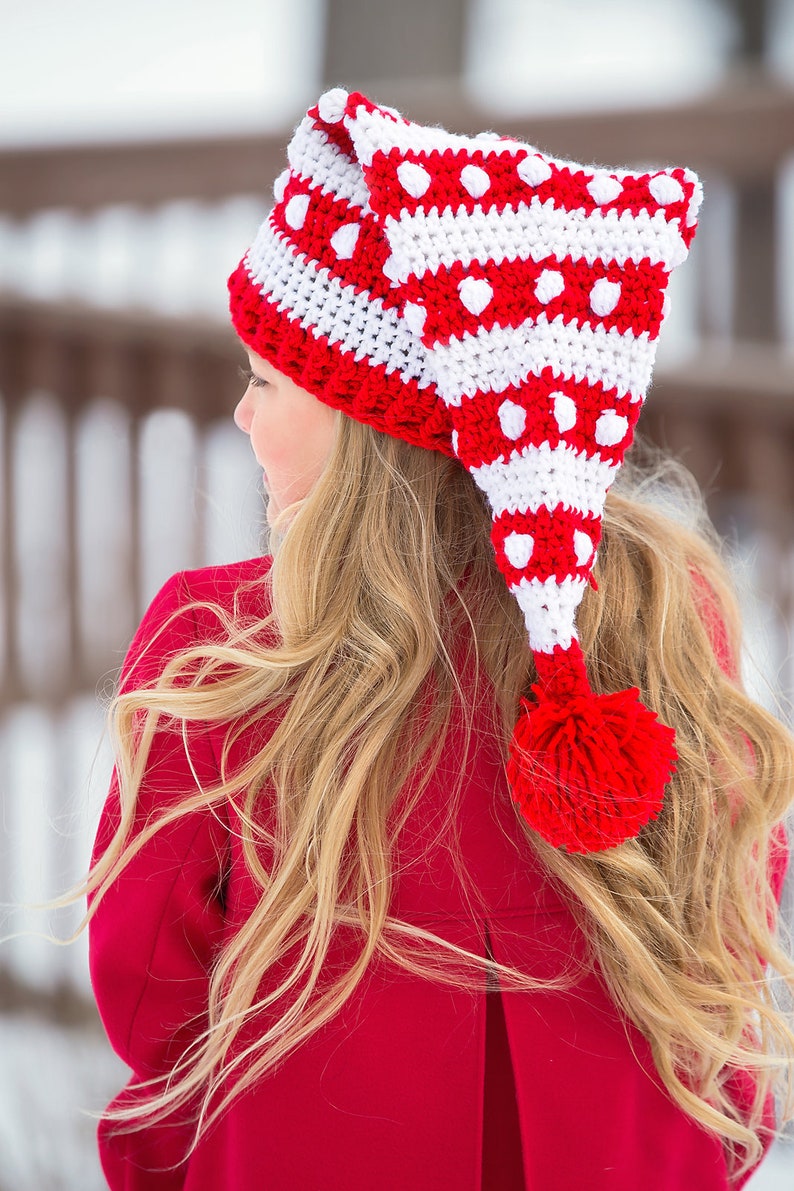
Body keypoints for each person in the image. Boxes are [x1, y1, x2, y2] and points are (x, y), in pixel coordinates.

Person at [86, 89, 794, 1190]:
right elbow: (719, 957)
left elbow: (149, 995)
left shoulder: (222, 653)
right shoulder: (660, 620)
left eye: (265, 380)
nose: (241, 416)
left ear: (365, 427)